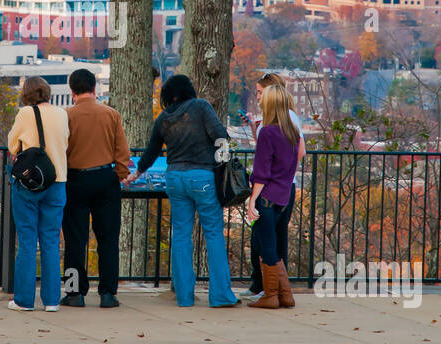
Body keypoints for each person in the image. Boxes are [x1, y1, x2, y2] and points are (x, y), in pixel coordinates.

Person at [125, 74, 238, 308]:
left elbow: (151, 151)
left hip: (174, 178)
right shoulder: (201, 106)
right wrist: (226, 159)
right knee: (214, 234)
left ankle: (185, 297)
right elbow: (220, 136)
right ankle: (221, 296)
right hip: (203, 177)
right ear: (189, 90)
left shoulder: (163, 119)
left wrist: (135, 174)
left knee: (181, 235)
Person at [60, 68, 130, 308]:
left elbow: (61, 151)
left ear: (72, 91)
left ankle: (74, 293)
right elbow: (122, 152)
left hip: (74, 180)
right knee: (108, 239)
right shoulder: (111, 114)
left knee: (74, 240)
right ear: (94, 88)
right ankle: (108, 293)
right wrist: (119, 175)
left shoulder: (66, 116)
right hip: (105, 179)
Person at [6, 76, 69, 313]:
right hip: (57, 180)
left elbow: (13, 145)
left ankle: (24, 299)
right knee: (51, 241)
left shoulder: (25, 114)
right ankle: (52, 300)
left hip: (29, 183)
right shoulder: (62, 113)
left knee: (28, 241)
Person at [245, 73, 306, 297]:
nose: (258, 98)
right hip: (285, 187)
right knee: (277, 239)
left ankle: (268, 291)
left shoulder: (272, 128)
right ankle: (281, 291)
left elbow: (262, 170)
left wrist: (253, 198)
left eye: (261, 93)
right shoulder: (288, 124)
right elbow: (294, 153)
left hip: (269, 190)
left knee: (265, 242)